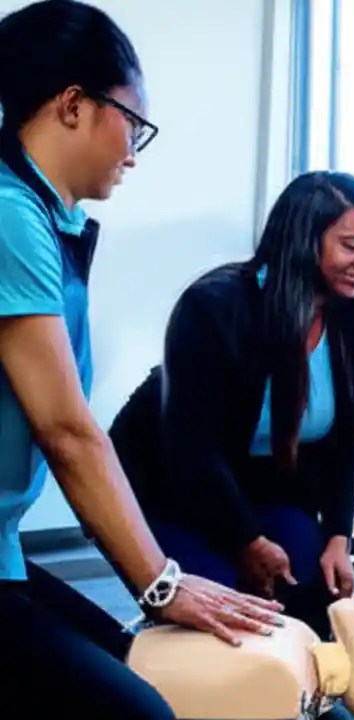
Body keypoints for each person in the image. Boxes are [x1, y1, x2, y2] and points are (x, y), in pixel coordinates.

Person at [0, 1, 284, 717]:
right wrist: (161, 582)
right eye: (133, 124)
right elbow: (67, 433)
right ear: (73, 105)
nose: (133, 152)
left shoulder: (43, 217)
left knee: (133, 660)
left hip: (4, 548)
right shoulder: (9, 215)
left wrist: (161, 583)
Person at [108, 170, 354, 639]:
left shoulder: (353, 318)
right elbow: (193, 452)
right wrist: (247, 542)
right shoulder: (214, 306)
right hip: (167, 490)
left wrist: (339, 537)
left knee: (311, 608)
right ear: (303, 239)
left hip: (258, 490)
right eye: (351, 246)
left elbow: (347, 448)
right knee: (225, 622)